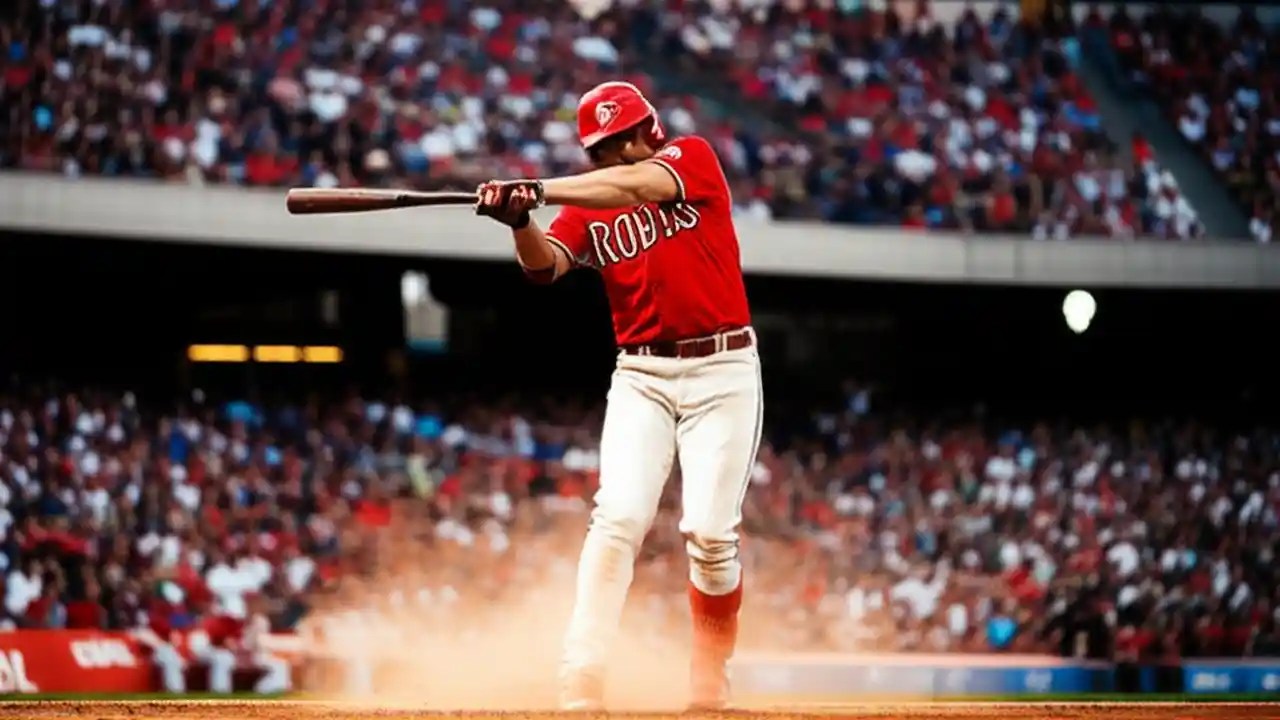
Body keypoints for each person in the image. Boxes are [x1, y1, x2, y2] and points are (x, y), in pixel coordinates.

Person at [474, 80, 764, 711]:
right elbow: (544, 267)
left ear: (647, 132)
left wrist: (539, 189)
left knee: (711, 534)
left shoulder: (692, 159)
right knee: (618, 520)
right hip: (641, 375)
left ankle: (710, 681)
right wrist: (521, 221)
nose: (614, 152)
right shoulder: (589, 202)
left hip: (724, 370)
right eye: (603, 145)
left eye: (621, 139)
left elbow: (639, 187)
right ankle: (582, 675)